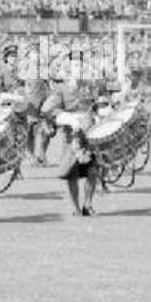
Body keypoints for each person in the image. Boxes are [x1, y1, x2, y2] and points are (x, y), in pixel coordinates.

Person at [41, 51, 108, 216]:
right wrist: (68, 119)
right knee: (72, 173)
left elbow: (100, 104)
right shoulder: (61, 88)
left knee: (93, 170)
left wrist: (104, 113)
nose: (78, 67)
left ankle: (88, 205)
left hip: (91, 133)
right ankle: (75, 207)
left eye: (80, 64)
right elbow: (48, 109)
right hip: (72, 136)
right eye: (75, 65)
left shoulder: (91, 85)